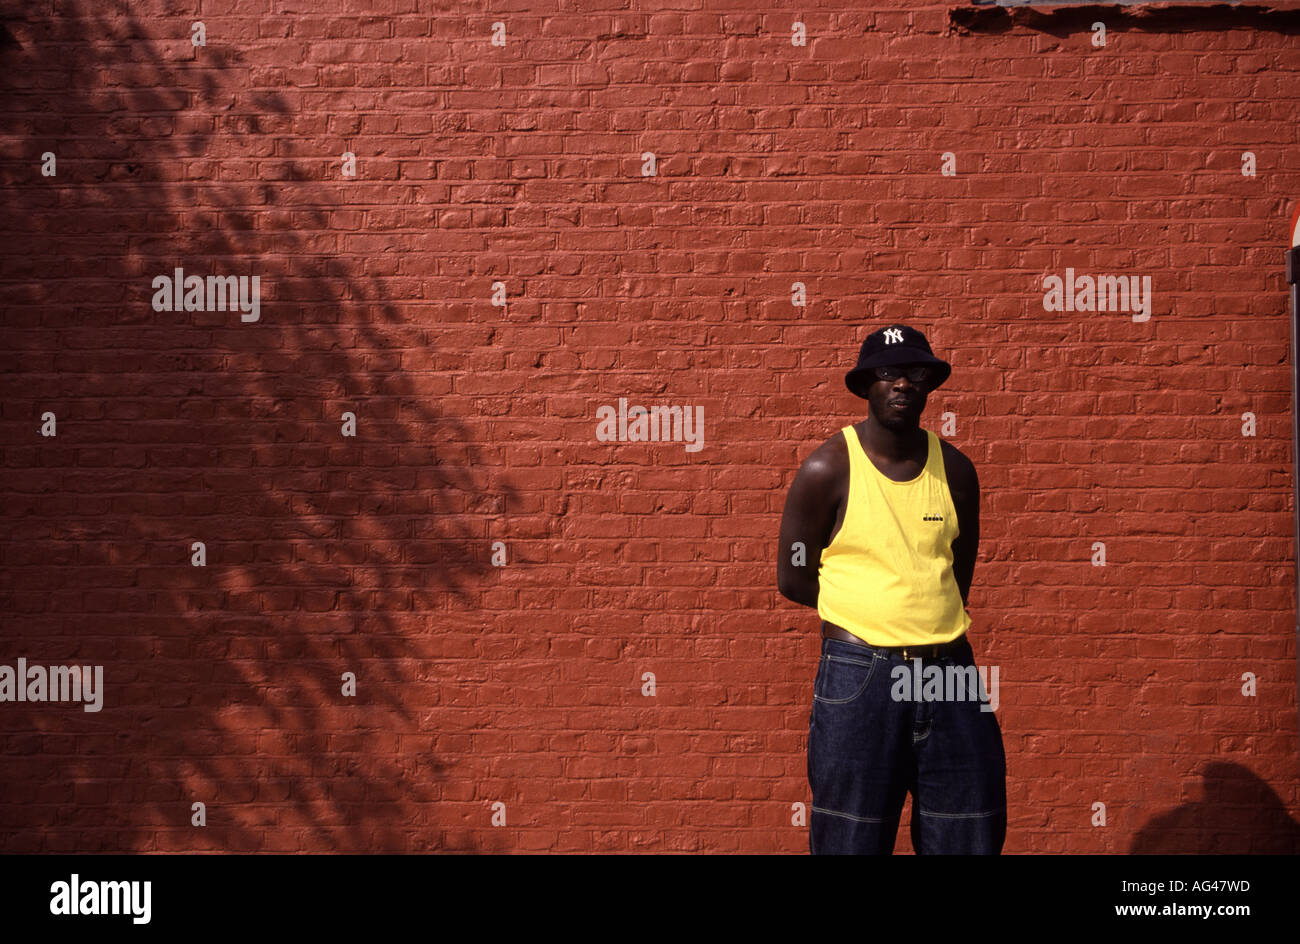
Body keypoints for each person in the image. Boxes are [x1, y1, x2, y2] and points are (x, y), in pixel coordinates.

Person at [777, 323, 1006, 854]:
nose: (903, 384)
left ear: (929, 385)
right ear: (866, 385)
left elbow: (956, 571)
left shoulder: (955, 471)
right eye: (888, 372)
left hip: (950, 675)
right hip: (861, 676)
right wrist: (869, 613)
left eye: (915, 373)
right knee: (851, 840)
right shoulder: (827, 468)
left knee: (968, 830)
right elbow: (794, 576)